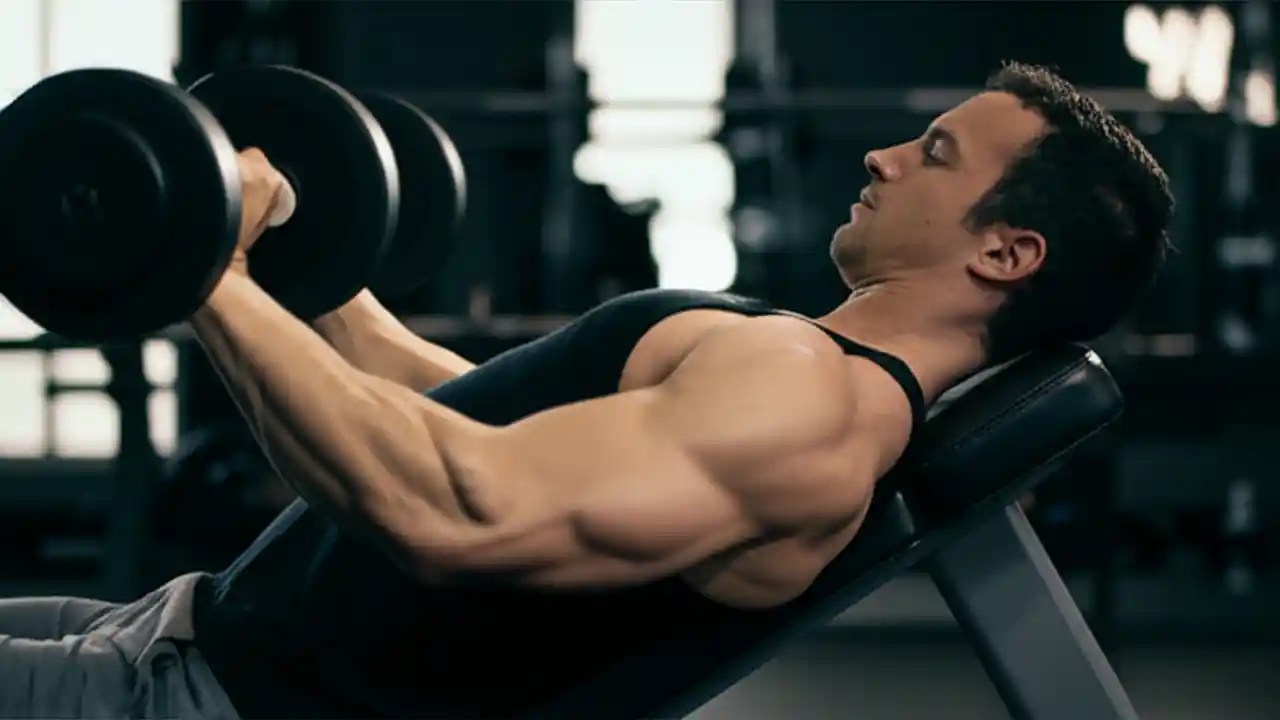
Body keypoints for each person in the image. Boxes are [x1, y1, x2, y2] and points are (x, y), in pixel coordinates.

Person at [0, 61, 1172, 719]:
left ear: (1005, 254)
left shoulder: (812, 409)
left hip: (208, 703)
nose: (881, 155)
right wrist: (317, 283)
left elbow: (460, 509)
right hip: (183, 634)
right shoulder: (781, 352)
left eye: (933, 153)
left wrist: (206, 261)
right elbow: (470, 411)